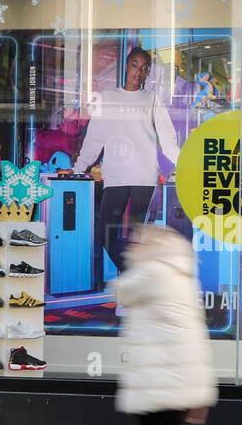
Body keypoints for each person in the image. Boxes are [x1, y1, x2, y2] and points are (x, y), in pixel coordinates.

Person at [109, 224, 235, 425]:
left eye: (138, 242)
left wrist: (130, 265)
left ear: (154, 246)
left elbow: (122, 291)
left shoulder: (154, 271)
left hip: (164, 367)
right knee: (150, 423)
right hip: (171, 364)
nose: (133, 246)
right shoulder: (180, 271)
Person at [68, 46, 180, 272]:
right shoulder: (109, 97)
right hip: (116, 177)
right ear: (127, 67)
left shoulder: (152, 99)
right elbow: (95, 138)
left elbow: (168, 139)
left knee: (139, 237)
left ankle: (133, 287)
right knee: (105, 233)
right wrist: (79, 167)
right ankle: (132, 276)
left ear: (148, 73)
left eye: (144, 68)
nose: (138, 72)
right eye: (135, 66)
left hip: (144, 178)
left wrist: (183, 165)